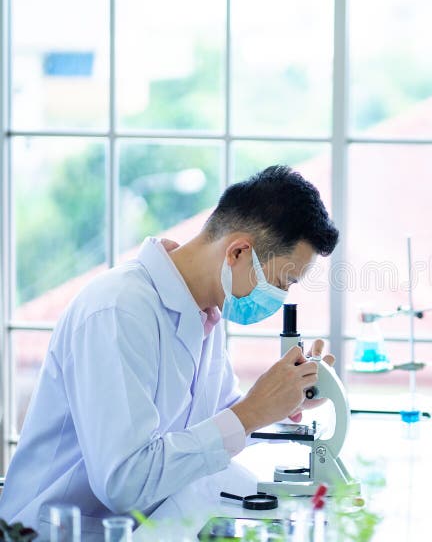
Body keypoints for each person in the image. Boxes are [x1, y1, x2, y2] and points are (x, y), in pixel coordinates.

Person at [0, 166, 339, 537]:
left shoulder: (203, 315)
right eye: (282, 282)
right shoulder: (118, 310)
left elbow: (217, 424)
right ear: (239, 251)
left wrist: (285, 399)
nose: (280, 298)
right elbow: (126, 483)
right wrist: (251, 411)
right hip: (59, 532)